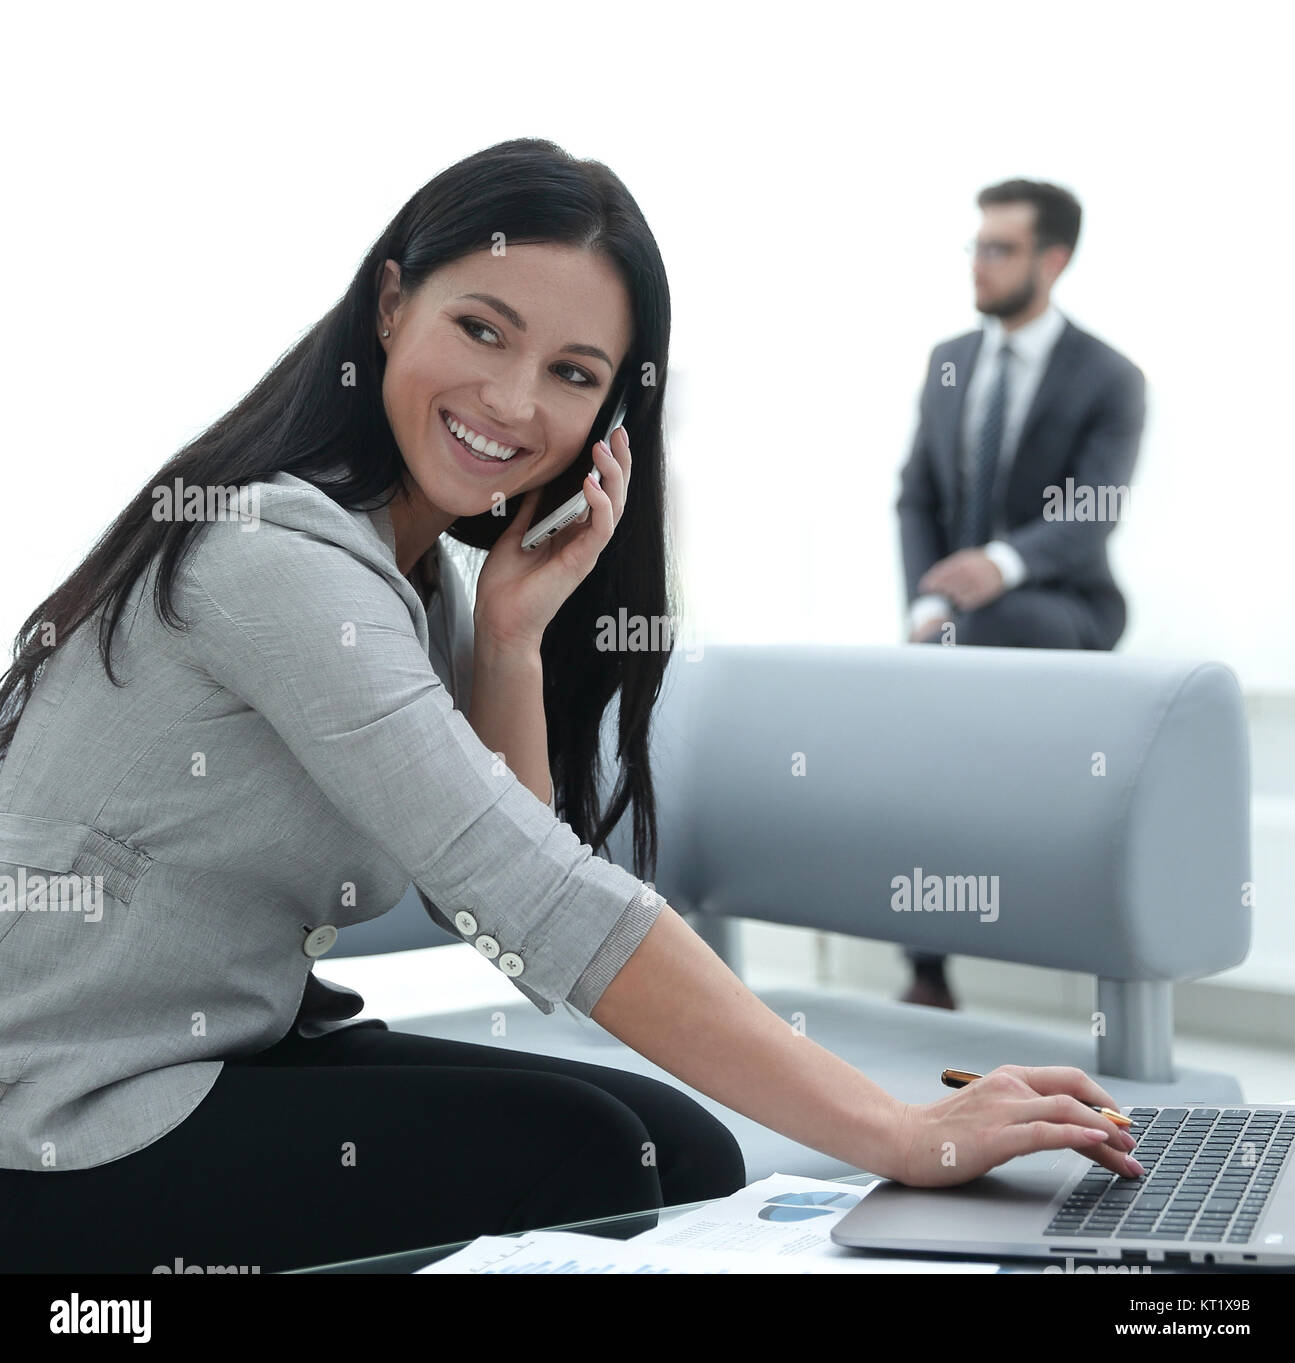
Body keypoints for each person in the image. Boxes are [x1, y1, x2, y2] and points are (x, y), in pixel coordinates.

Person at [0, 142, 1141, 1274]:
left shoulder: (416, 582)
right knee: (609, 1164)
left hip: (228, 1058)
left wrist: (506, 639)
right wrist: (899, 1128)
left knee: (673, 1146)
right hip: (67, 1120)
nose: (511, 401)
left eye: (573, 373)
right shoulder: (276, 558)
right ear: (392, 303)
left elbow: (482, 903)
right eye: (483, 330)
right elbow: (534, 896)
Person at [896, 179, 1146, 1011]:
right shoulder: (948, 362)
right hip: (955, 621)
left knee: (992, 627)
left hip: (1059, 607)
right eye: (975, 245)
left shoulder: (1110, 376)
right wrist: (924, 604)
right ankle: (926, 970)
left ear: (1054, 259)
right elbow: (917, 498)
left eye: (999, 248)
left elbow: (1096, 506)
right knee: (917, 693)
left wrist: (1000, 563)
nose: (980, 264)